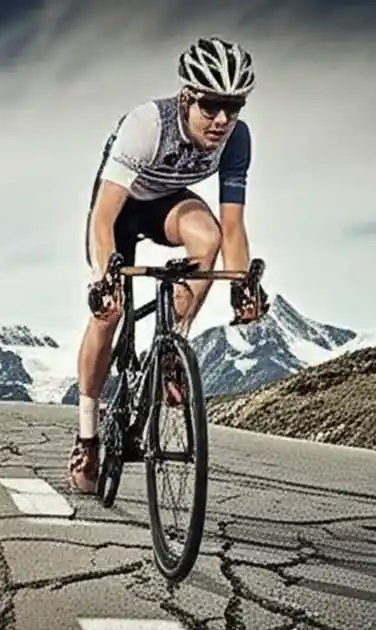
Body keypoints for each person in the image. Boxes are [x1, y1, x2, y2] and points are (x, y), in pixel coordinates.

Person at [68, 36, 269, 494]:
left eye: (233, 106)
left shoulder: (237, 139)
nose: (222, 120)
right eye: (211, 105)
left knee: (208, 237)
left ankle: (171, 348)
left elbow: (232, 227)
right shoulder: (147, 125)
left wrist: (242, 285)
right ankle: (87, 436)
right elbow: (103, 217)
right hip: (120, 210)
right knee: (109, 315)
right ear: (186, 96)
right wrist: (105, 280)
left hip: (167, 204)